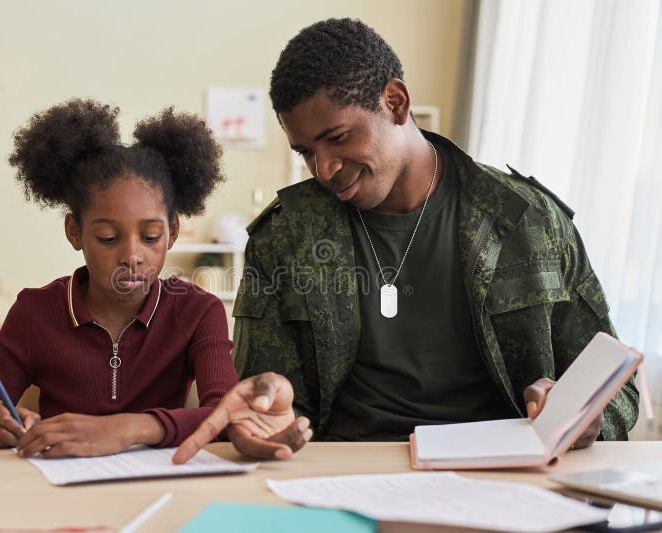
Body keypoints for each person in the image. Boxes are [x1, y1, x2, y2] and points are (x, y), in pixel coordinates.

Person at [173, 18, 639, 463]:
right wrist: (264, 425)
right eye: (306, 152)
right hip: (340, 472)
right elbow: (268, 400)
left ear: (395, 101)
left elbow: (619, 391)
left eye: (337, 138)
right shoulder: (284, 237)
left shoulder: (528, 219)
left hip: (509, 474)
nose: (324, 168)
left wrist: (585, 417)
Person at [0, 99, 239, 458]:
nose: (132, 256)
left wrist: (129, 428)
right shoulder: (33, 312)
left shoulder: (198, 311)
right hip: (55, 489)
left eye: (150, 237)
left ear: (173, 232)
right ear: (75, 232)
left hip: (162, 488)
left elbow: (228, 419)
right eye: (107, 238)